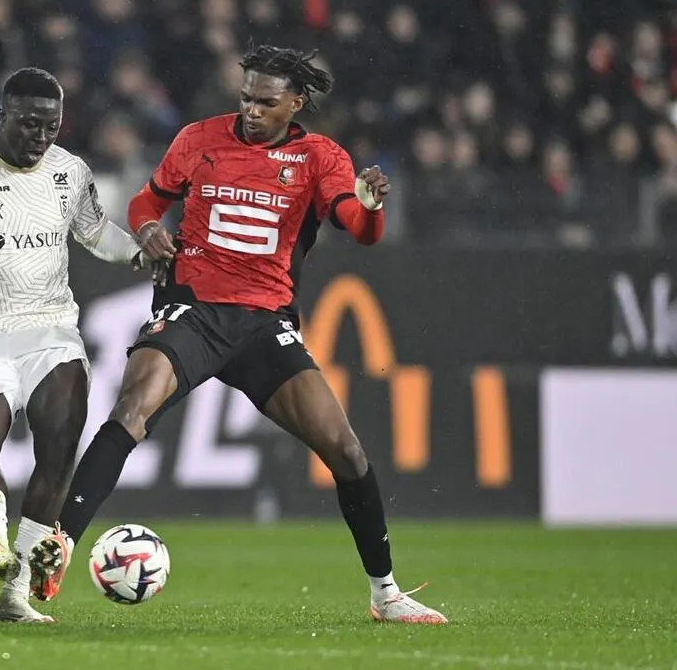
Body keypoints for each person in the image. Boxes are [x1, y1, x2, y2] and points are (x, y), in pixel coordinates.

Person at [27, 44, 448, 625]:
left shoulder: (320, 157)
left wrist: (371, 206)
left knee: (346, 450)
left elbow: (359, 226)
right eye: (246, 97)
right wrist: (148, 227)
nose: (251, 109)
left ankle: (386, 594)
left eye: (266, 102)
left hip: (264, 324)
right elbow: (148, 199)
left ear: (295, 103)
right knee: (131, 407)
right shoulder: (198, 139)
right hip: (192, 310)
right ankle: (61, 545)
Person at [0, 67, 157, 624]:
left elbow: (97, 233)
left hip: (50, 330)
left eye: (51, 126)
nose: (40, 138)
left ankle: (14, 593)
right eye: (27, 125)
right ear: (1, 116)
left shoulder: (70, 172)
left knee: (59, 443)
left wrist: (143, 254)